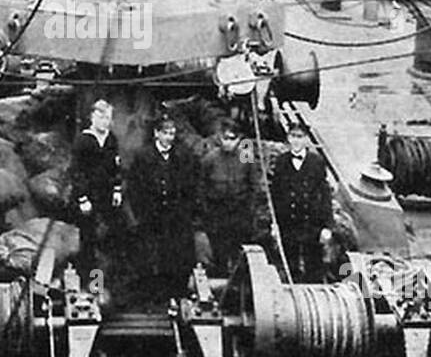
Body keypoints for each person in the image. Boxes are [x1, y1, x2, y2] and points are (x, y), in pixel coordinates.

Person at [125, 116, 199, 301]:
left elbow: (191, 184)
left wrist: (186, 208)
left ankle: (174, 293)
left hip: (175, 214)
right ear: (156, 134)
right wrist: (140, 212)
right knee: (150, 253)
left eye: (172, 133)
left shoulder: (183, 155)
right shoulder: (143, 156)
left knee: (175, 252)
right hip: (151, 213)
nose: (169, 137)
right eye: (165, 133)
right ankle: (150, 294)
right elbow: (134, 187)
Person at [262, 123, 333, 282]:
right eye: (293, 136)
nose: (296, 141)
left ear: (306, 139)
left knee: (313, 265)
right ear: (288, 138)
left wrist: (327, 227)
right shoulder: (281, 161)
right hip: (289, 224)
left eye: (300, 137)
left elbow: (325, 195)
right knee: (289, 265)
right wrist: (274, 224)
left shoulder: (317, 162)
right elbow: (275, 195)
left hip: (311, 223)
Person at [197, 117, 259, 276]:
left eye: (232, 139)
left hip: (240, 213)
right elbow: (201, 188)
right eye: (225, 138)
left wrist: (250, 211)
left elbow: (253, 184)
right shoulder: (210, 159)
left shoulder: (245, 155)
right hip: (217, 214)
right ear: (219, 138)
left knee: (239, 252)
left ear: (239, 140)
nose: (228, 143)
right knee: (219, 253)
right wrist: (207, 212)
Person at [70, 100, 122, 279]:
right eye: (101, 117)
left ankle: (112, 284)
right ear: (92, 117)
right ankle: (92, 284)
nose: (104, 121)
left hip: (106, 195)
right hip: (88, 197)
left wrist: (116, 189)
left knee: (111, 237)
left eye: (108, 117)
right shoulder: (83, 140)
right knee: (89, 240)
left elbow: (116, 167)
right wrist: (83, 198)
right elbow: (76, 172)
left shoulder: (111, 139)